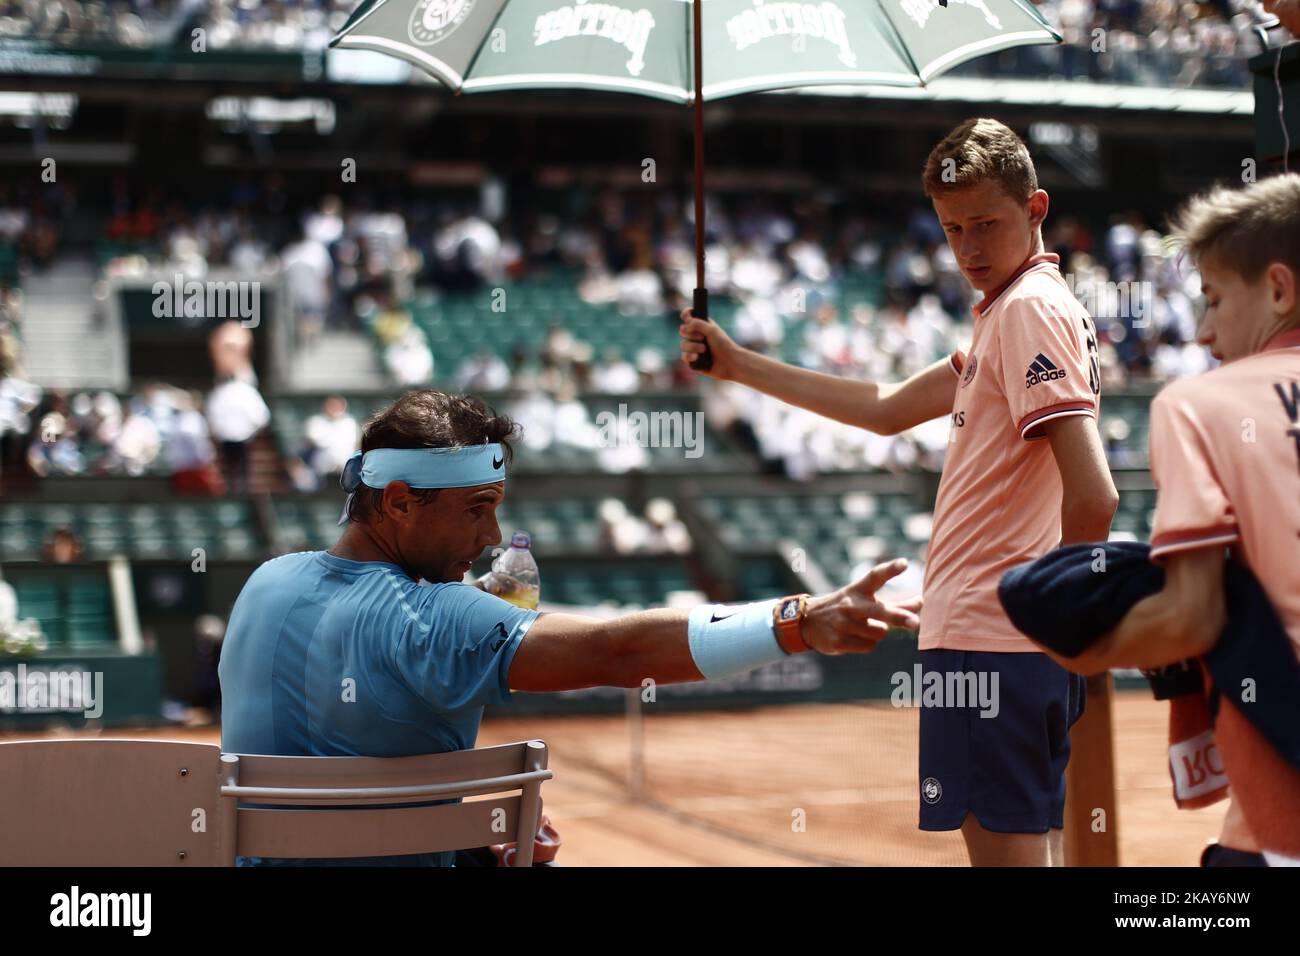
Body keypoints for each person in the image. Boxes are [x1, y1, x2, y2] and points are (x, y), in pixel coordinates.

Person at [219, 389, 921, 866]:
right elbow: (615, 650)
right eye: (477, 508)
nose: (494, 533)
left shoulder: (263, 584)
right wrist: (796, 622)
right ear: (398, 503)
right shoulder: (434, 615)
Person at [680, 118, 1119, 866]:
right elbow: (883, 407)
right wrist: (739, 365)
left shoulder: (1028, 311)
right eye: (954, 230)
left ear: (1037, 209)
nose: (970, 249)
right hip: (1004, 640)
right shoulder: (1009, 316)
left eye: (987, 223)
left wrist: (1059, 618)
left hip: (995, 638)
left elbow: (1096, 495)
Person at [1039, 173, 1300, 866]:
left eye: (1213, 300)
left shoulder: (1198, 404)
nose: (1206, 331)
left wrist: (1075, 649)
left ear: (1279, 290)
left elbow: (1189, 616)